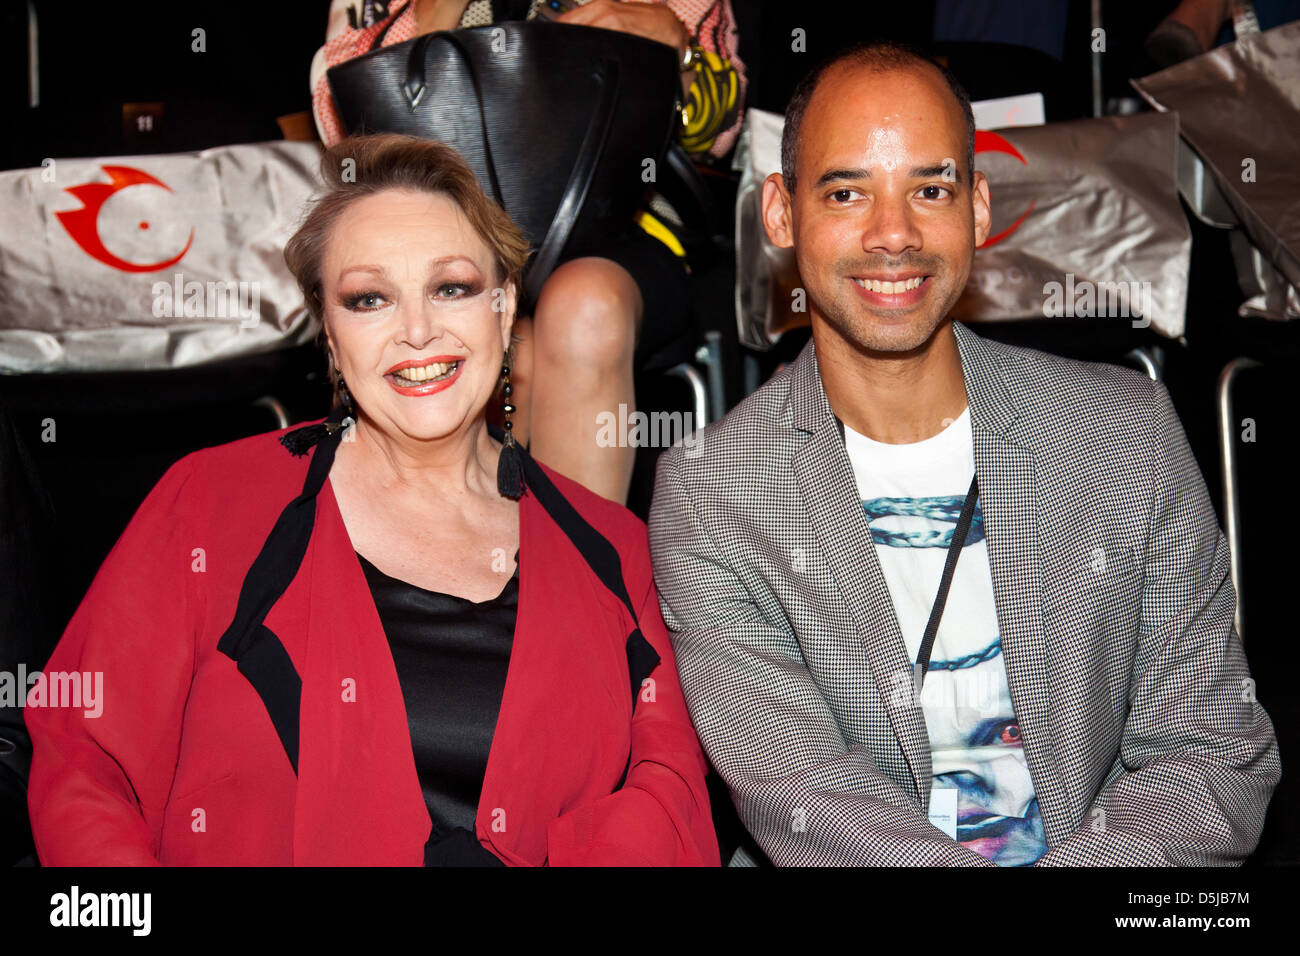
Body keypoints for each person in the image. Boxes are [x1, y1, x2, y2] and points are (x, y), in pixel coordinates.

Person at [648, 41, 1281, 866]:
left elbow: (1213, 751)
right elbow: (805, 797)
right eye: (846, 191)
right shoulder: (714, 494)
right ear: (781, 212)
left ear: (978, 207)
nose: (893, 235)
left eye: (931, 188)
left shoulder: (1127, 433)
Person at [25, 134, 719, 866]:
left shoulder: (610, 547)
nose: (417, 330)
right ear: (329, 332)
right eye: (369, 298)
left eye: (450, 286)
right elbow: (84, 765)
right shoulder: (208, 504)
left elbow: (669, 795)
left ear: (503, 303)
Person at [309, 0, 747, 503]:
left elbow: (718, 134)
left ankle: (578, 572)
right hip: (445, 238)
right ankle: (454, 568)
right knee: (506, 346)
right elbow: (339, 117)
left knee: (585, 306)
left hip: (624, 230)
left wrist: (679, 52)